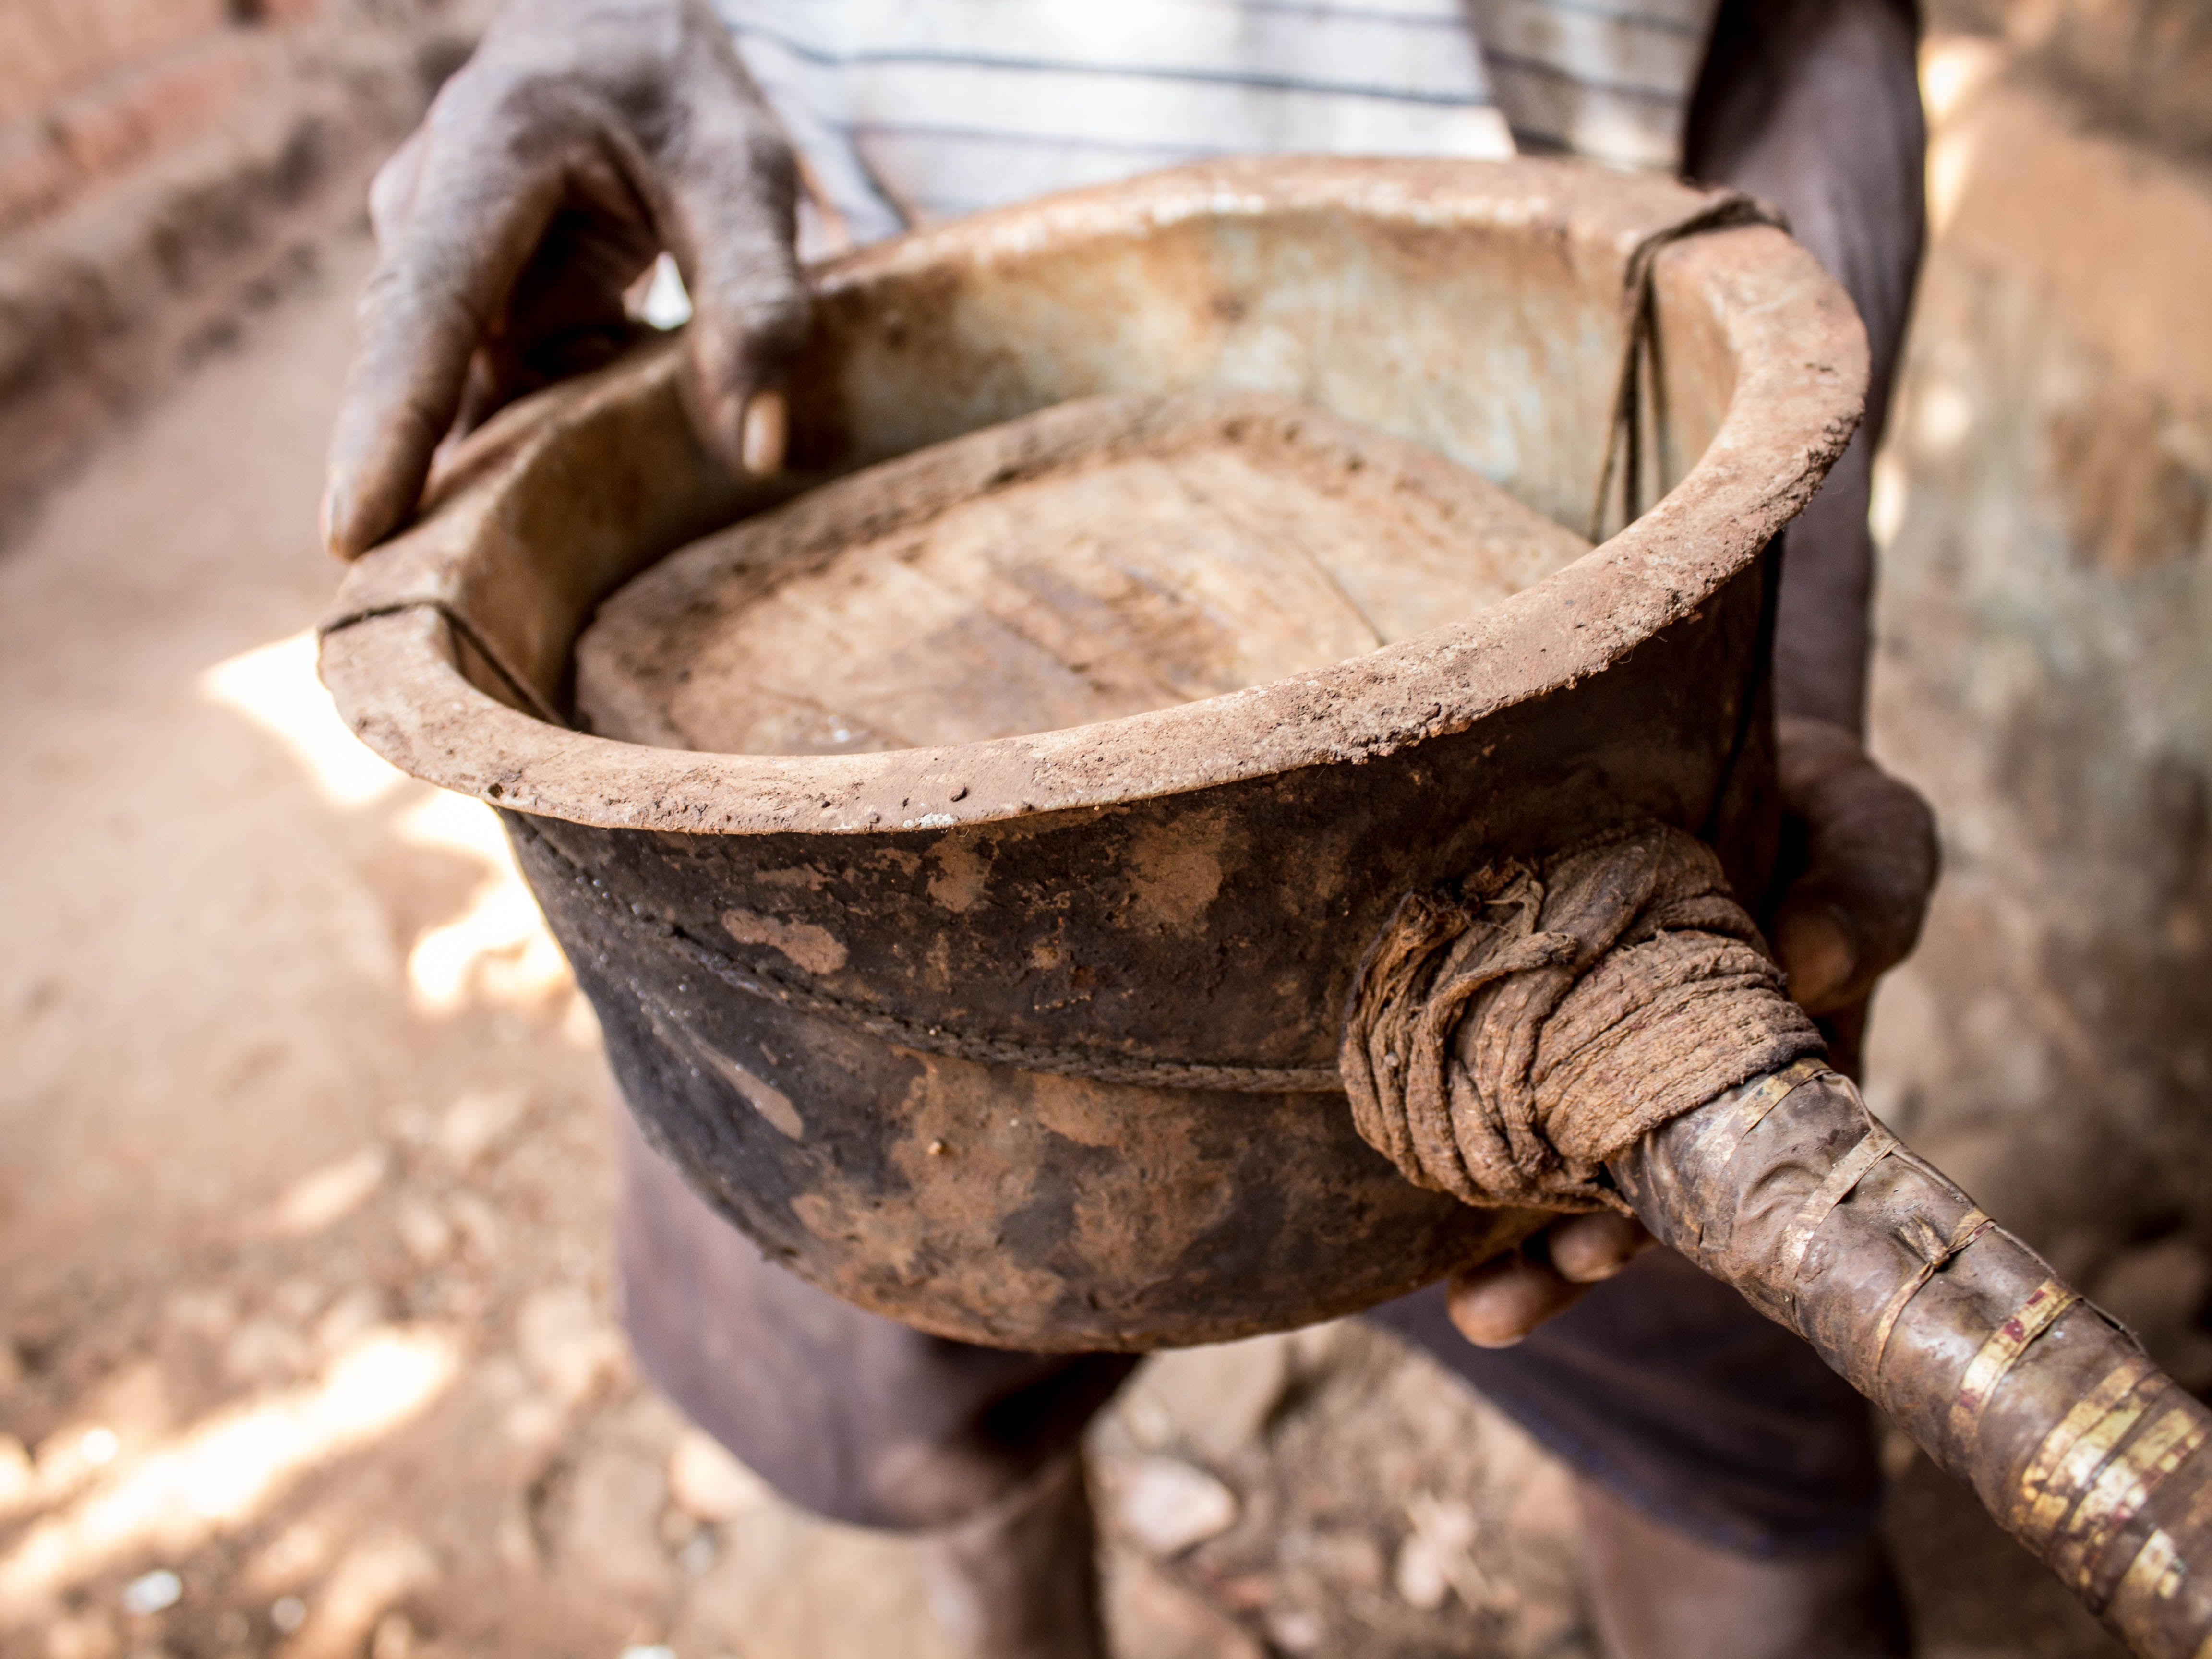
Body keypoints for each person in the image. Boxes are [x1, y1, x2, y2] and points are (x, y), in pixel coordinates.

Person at [322, 2, 1941, 1653]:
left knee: (1740, 1454)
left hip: (1547, 622)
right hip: (794, 609)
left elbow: (1819, 34)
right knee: (911, 1392)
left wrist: (1767, 677)